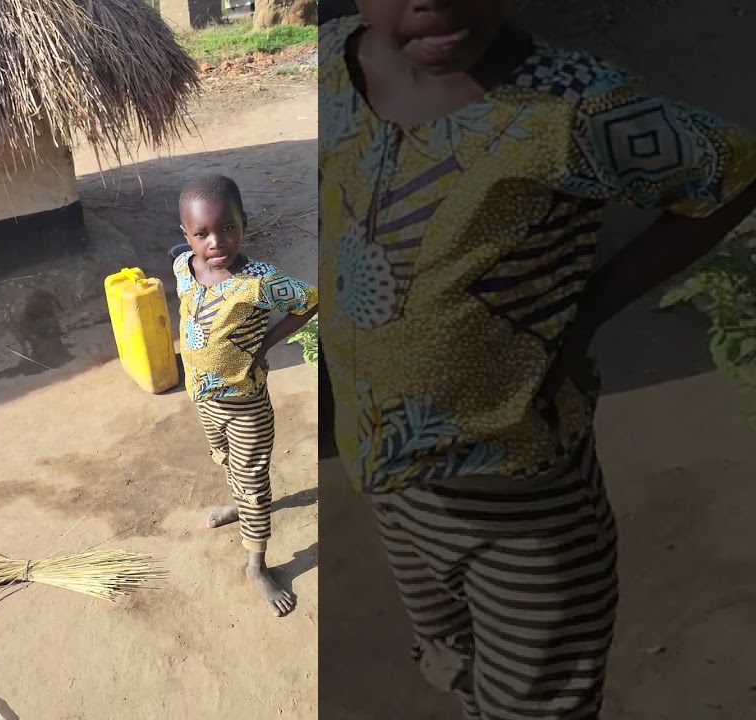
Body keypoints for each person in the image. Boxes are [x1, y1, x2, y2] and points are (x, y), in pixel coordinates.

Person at [319, 2, 756, 718]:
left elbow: (730, 175)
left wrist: (583, 312)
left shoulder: (573, 108)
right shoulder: (333, 67)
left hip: (520, 503)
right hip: (392, 484)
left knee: (534, 698)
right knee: (455, 661)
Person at [174, 174, 319, 617]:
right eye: (202, 233)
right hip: (202, 398)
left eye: (228, 228)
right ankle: (239, 503)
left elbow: (309, 300)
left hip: (246, 407)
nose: (216, 242)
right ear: (186, 235)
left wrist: (266, 342)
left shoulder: (259, 281)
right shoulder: (183, 267)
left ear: (244, 224)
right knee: (225, 460)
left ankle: (256, 565)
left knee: (253, 480)